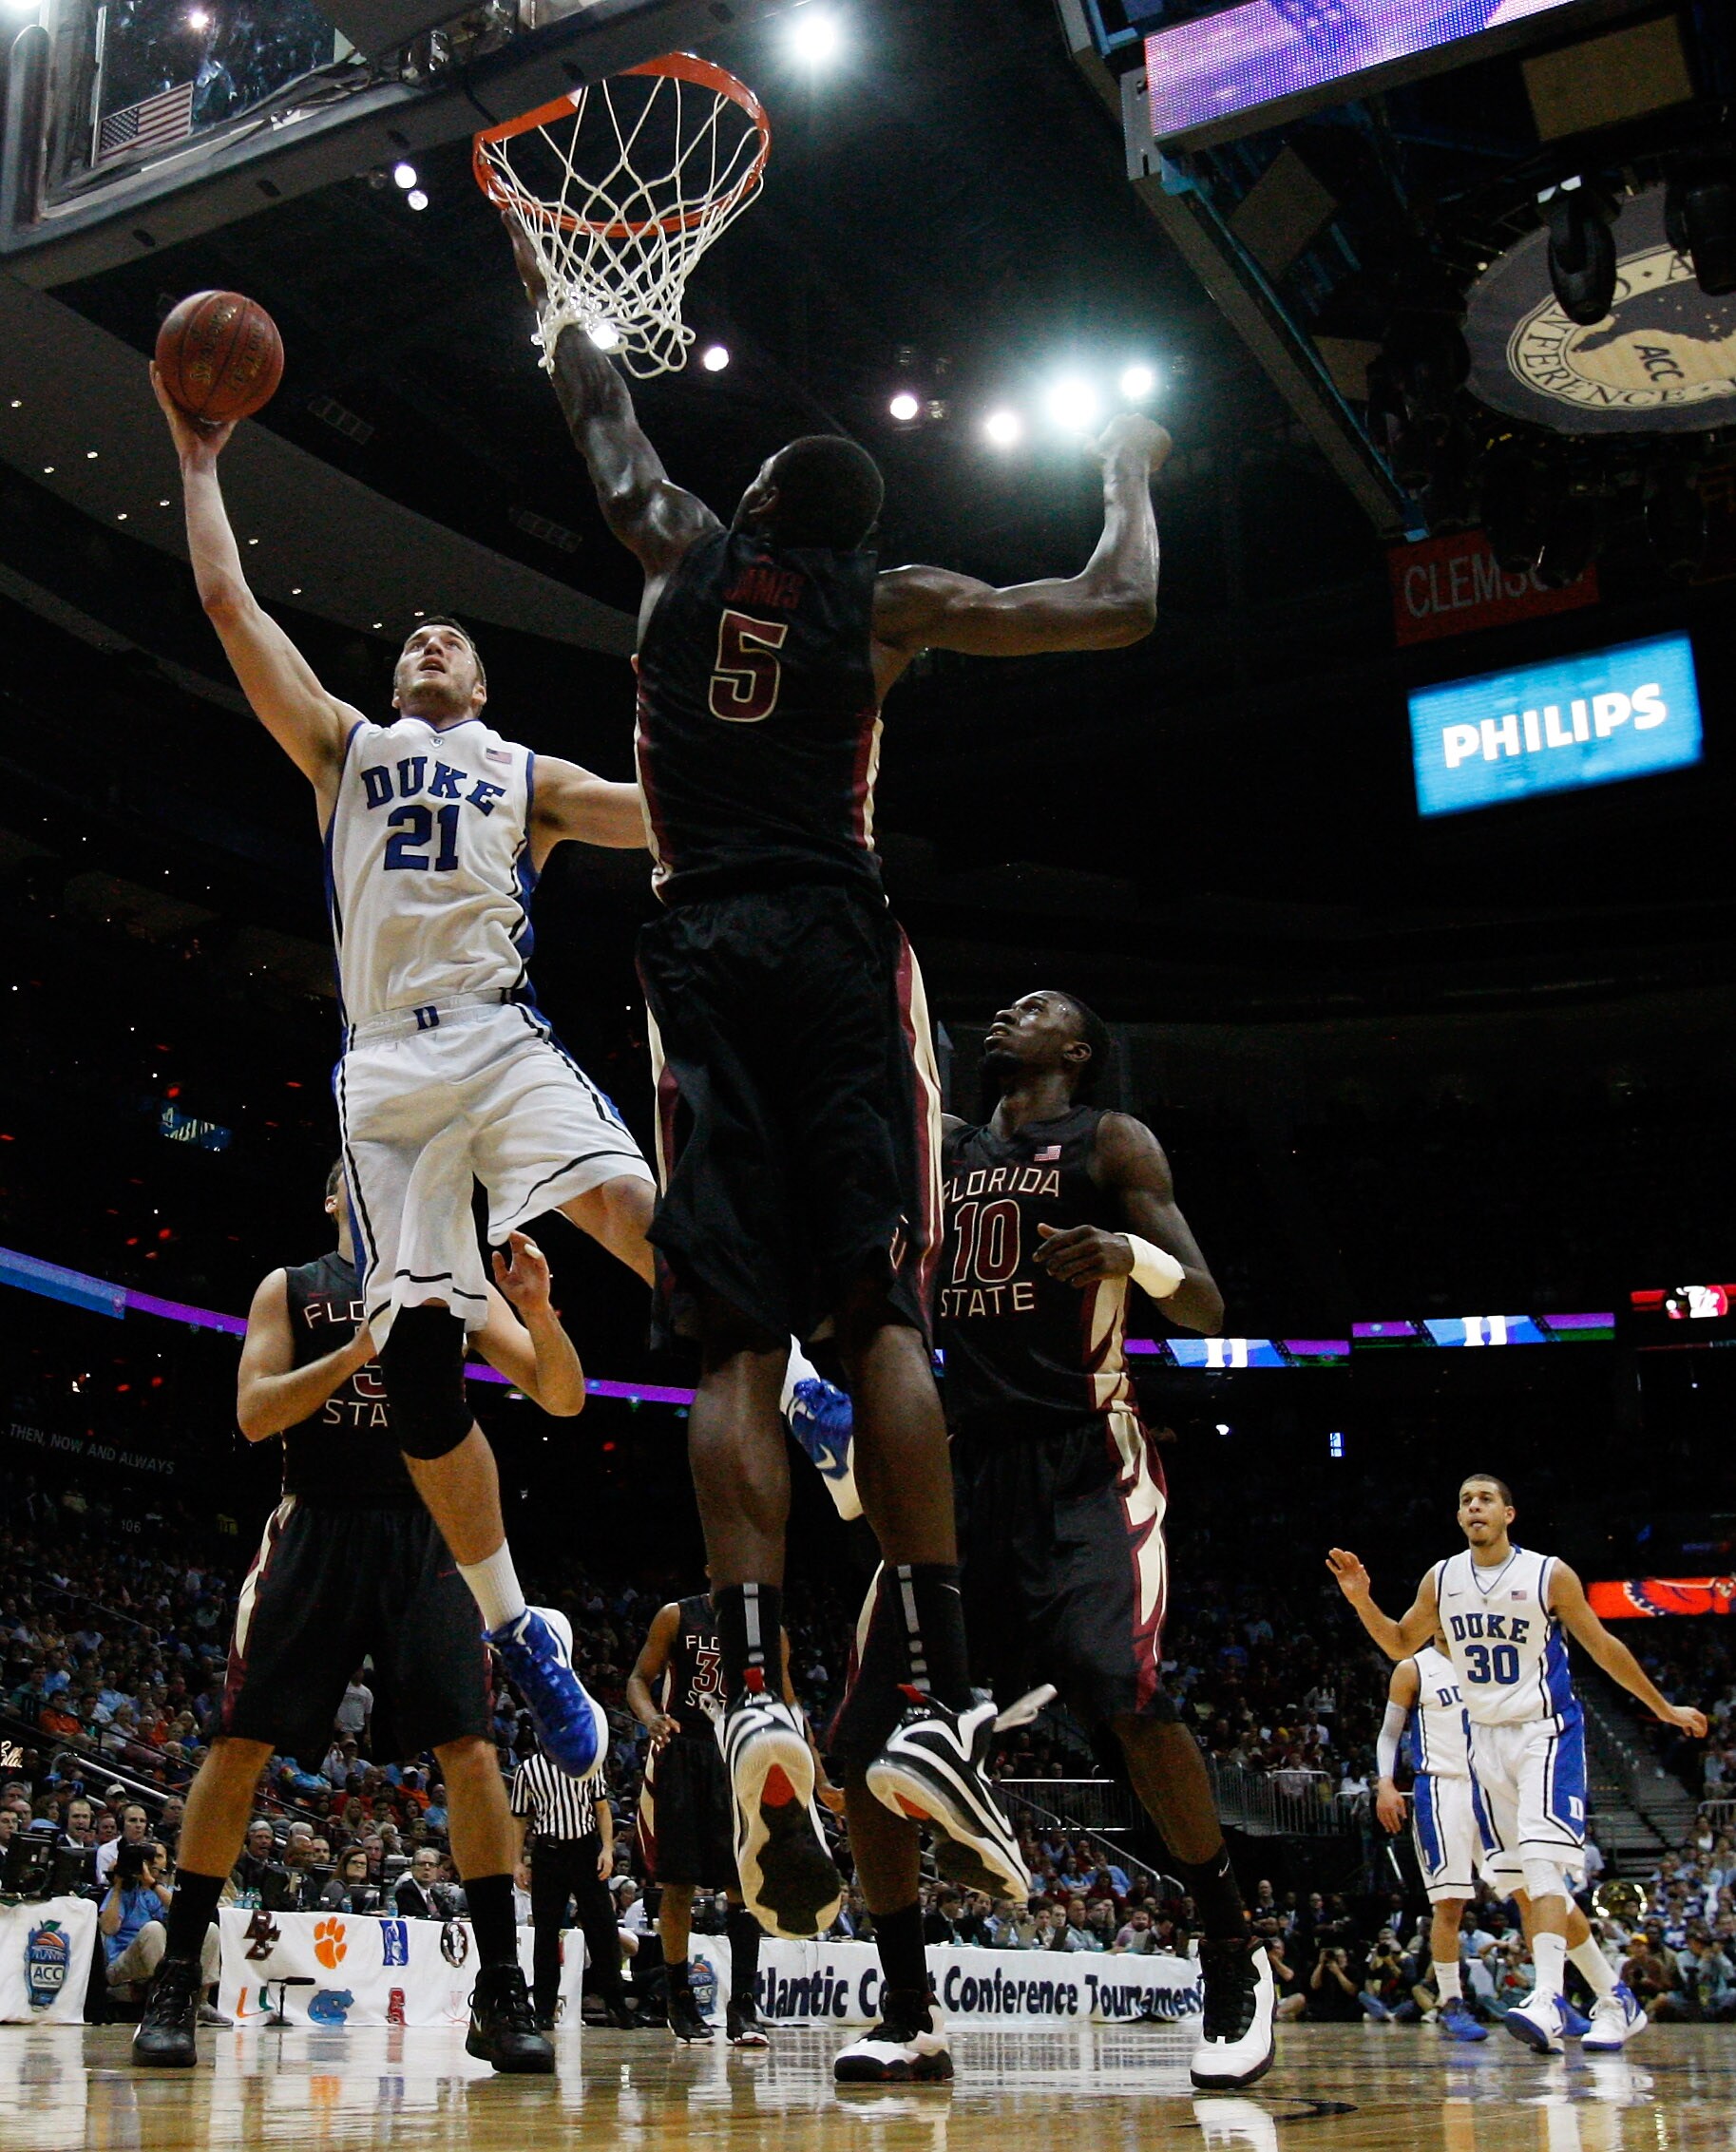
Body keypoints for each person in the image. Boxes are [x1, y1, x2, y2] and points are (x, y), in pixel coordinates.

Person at [504, 219, 1169, 2026]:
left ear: (760, 499)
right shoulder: (889, 606)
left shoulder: (676, 549)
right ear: (858, 536)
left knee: (725, 1340)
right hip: (829, 936)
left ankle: (755, 1688)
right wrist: (1127, 473)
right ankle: (937, 1698)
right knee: (877, 1312)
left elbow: (605, 425)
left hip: (695, 948)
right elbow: (1112, 603)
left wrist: (559, 294)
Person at [153, 364, 657, 1777]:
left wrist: (780, 752)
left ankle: (802, 1386)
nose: (430, 642)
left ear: (482, 684)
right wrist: (198, 465)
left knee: (625, 1205)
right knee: (425, 1380)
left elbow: (662, 819)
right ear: (393, 675)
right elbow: (230, 611)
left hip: (496, 1029)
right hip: (381, 1077)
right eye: (414, 636)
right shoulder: (344, 748)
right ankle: (522, 1637)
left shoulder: (523, 772)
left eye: (452, 639)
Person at [793, 992, 1268, 2089]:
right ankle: (908, 2010)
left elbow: (1204, 1303)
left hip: (1086, 1457)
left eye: (1038, 1006)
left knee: (1125, 1693)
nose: (1011, 1011)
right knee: (863, 1744)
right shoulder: (943, 1150)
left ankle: (1234, 1952)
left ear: (1079, 1048)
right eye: (1005, 1006)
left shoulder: (1109, 1140)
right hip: (957, 1470)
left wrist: (1124, 1258)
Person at [130, 1168, 589, 2074]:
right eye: (360, 1173)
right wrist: (355, 1353)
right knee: (239, 1742)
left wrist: (537, 1308)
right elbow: (254, 1415)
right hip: (317, 1521)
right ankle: (176, 1973)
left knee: (470, 1747)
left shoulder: (453, 1279)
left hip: (432, 1531)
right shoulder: (293, 1288)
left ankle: (501, 1987)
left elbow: (562, 1394)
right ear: (338, 1195)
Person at [1329, 1474, 1707, 2054]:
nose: (1473, 1507)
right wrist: (1362, 1600)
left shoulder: (1548, 1574)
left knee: (1541, 1861)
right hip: (1485, 1742)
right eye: (1464, 1501)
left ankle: (1551, 1997)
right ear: (1458, 1518)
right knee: (1528, 1887)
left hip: (1544, 1731)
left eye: (1485, 1499)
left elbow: (1604, 1647)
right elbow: (1402, 1643)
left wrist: (1662, 1707)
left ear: (1509, 1514)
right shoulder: (1443, 1578)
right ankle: (1614, 1998)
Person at [625, 1590, 841, 2047]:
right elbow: (639, 1679)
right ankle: (679, 1997)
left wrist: (819, 1778)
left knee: (743, 1883)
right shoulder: (677, 1616)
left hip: (742, 1755)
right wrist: (650, 1718)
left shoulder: (770, 1633)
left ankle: (743, 2005)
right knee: (677, 1882)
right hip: (682, 1749)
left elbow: (789, 1707)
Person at [1371, 1638, 1486, 2040]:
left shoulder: (1488, 1655)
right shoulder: (1415, 1668)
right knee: (1450, 1902)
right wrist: (1385, 1783)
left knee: (1530, 1890)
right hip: (1442, 1788)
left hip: (1492, 1785)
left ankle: (1550, 1996)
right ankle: (1451, 2000)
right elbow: (1388, 1735)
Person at [510, 1743, 635, 2032]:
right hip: (547, 1852)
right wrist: (516, 1861)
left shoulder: (585, 1761)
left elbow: (602, 1809)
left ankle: (616, 2006)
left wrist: (606, 1849)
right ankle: (543, 2010)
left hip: (585, 1850)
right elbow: (518, 1819)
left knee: (602, 1930)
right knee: (546, 1934)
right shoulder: (526, 1770)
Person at [102, 1840, 219, 2006]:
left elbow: (187, 1914)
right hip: (124, 1963)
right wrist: (118, 1883)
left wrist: (152, 1884)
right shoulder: (122, 1892)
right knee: (153, 1928)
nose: (152, 1861)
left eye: (158, 1856)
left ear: (167, 1862)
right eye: (147, 1857)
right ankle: (166, 2001)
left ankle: (202, 2002)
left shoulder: (166, 1891)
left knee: (209, 1929)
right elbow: (109, 1928)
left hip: (168, 1957)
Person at [396, 1845, 463, 1919]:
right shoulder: (405, 1891)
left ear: (437, 1870)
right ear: (412, 1869)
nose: (427, 1868)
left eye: (431, 1865)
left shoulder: (436, 1896)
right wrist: (457, 1919)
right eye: (422, 1864)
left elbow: (449, 1915)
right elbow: (421, 1917)